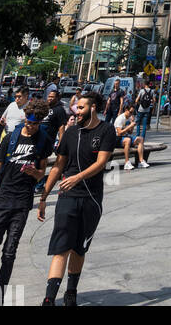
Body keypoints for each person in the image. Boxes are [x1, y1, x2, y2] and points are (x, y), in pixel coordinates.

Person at [37, 91, 117, 307]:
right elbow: (59, 165)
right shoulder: (71, 133)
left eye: (81, 107)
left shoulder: (107, 130)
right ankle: (49, 298)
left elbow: (101, 162)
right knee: (61, 246)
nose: (76, 111)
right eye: (76, 107)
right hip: (68, 196)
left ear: (92, 108)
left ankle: (71, 292)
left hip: (91, 197)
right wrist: (44, 194)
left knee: (79, 248)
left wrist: (78, 177)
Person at [0, 97, 52, 304]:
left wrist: (34, 173)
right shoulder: (10, 138)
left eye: (35, 124)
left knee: (9, 254)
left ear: (40, 122)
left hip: (22, 203)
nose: (31, 127)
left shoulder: (43, 140)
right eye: (29, 123)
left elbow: (42, 174)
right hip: (2, 201)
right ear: (24, 118)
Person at [132, 82, 155, 159]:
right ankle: (143, 139)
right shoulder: (151, 91)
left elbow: (136, 100)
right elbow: (154, 100)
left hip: (141, 109)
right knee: (144, 125)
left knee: (138, 124)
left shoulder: (142, 91)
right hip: (147, 110)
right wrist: (150, 105)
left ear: (145, 85)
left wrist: (140, 103)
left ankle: (138, 137)